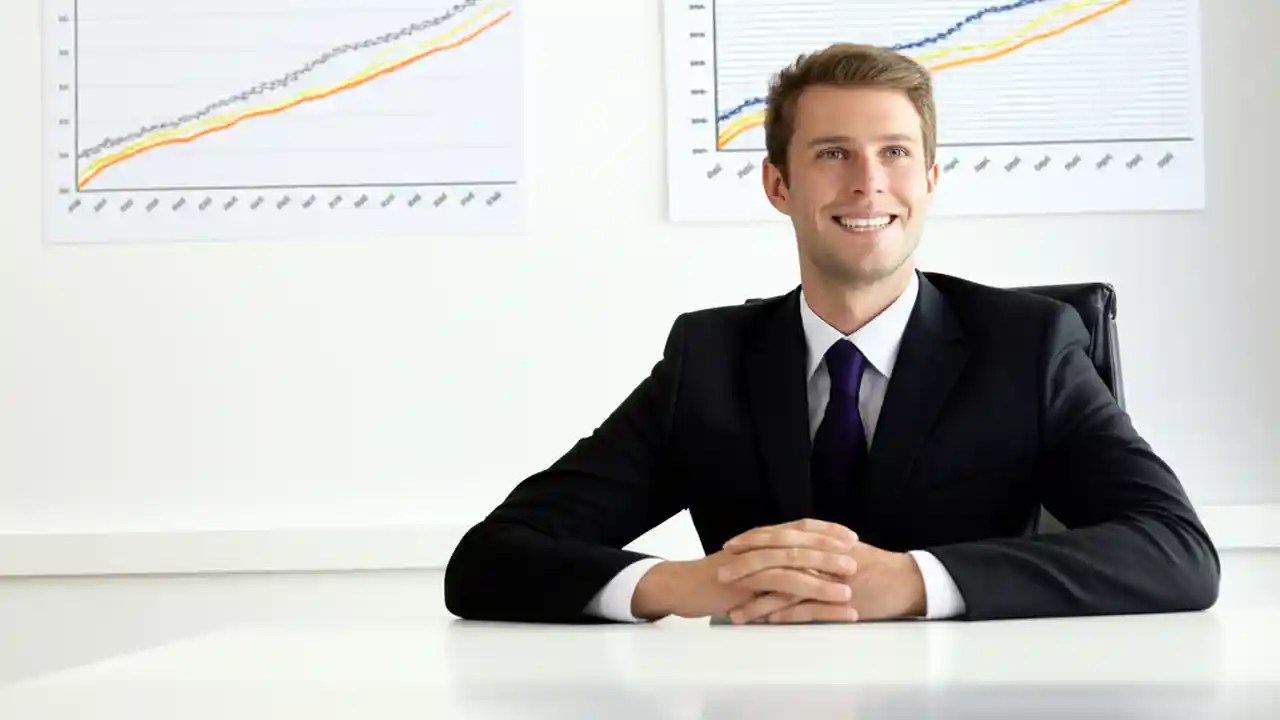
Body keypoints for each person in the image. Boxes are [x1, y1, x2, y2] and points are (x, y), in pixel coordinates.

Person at [444, 43, 1220, 624]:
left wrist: (916, 580)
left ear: (929, 180)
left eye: (894, 153)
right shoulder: (708, 361)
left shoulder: (1031, 347)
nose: (867, 182)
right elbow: (490, 560)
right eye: (832, 155)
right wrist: (684, 585)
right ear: (778, 184)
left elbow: (1177, 553)